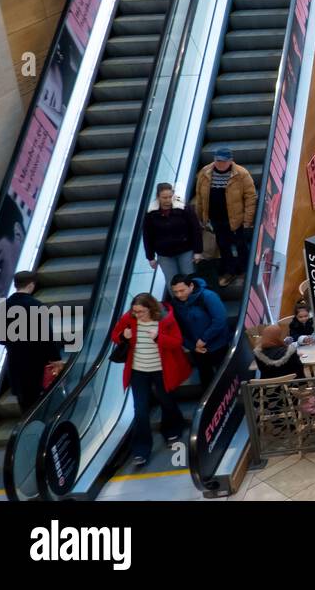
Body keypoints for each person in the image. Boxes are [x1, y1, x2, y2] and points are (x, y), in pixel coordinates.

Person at [110, 293, 190, 466]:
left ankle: (173, 428)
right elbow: (115, 335)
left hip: (161, 370)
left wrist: (158, 338)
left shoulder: (165, 320)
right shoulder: (129, 318)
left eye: (141, 312)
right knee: (140, 408)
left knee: (166, 400)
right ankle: (141, 449)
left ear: (151, 308)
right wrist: (124, 336)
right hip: (138, 370)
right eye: (135, 311)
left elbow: (177, 342)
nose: (137, 315)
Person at [0, 271, 61, 412]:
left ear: (15, 285)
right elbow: (46, 337)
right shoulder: (37, 306)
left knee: (25, 404)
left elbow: (0, 339)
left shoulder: (1, 308)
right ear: (31, 285)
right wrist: (55, 358)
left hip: (15, 363)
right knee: (40, 403)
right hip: (37, 364)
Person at [193, 146, 257, 288]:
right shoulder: (205, 173)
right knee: (223, 246)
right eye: (217, 161)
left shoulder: (241, 174)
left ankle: (245, 269)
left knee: (240, 245)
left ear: (230, 161)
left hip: (236, 219)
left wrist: (248, 219)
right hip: (216, 219)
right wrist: (200, 216)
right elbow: (199, 195)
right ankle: (229, 271)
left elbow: (251, 197)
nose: (219, 164)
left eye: (223, 161)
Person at [168, 272, 229, 387]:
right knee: (206, 378)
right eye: (175, 292)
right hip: (197, 349)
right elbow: (178, 329)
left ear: (191, 286)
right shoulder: (175, 304)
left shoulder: (208, 296)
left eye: (182, 290)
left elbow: (220, 319)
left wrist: (204, 339)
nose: (179, 295)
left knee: (224, 377)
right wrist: (192, 346)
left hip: (218, 345)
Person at [142, 182, 202, 280]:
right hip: (164, 254)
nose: (168, 200)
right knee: (172, 282)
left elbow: (195, 229)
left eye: (170, 196)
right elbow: (147, 236)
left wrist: (198, 251)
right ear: (158, 197)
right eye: (164, 198)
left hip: (185, 250)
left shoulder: (184, 209)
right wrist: (150, 257)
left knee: (189, 279)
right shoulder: (150, 214)